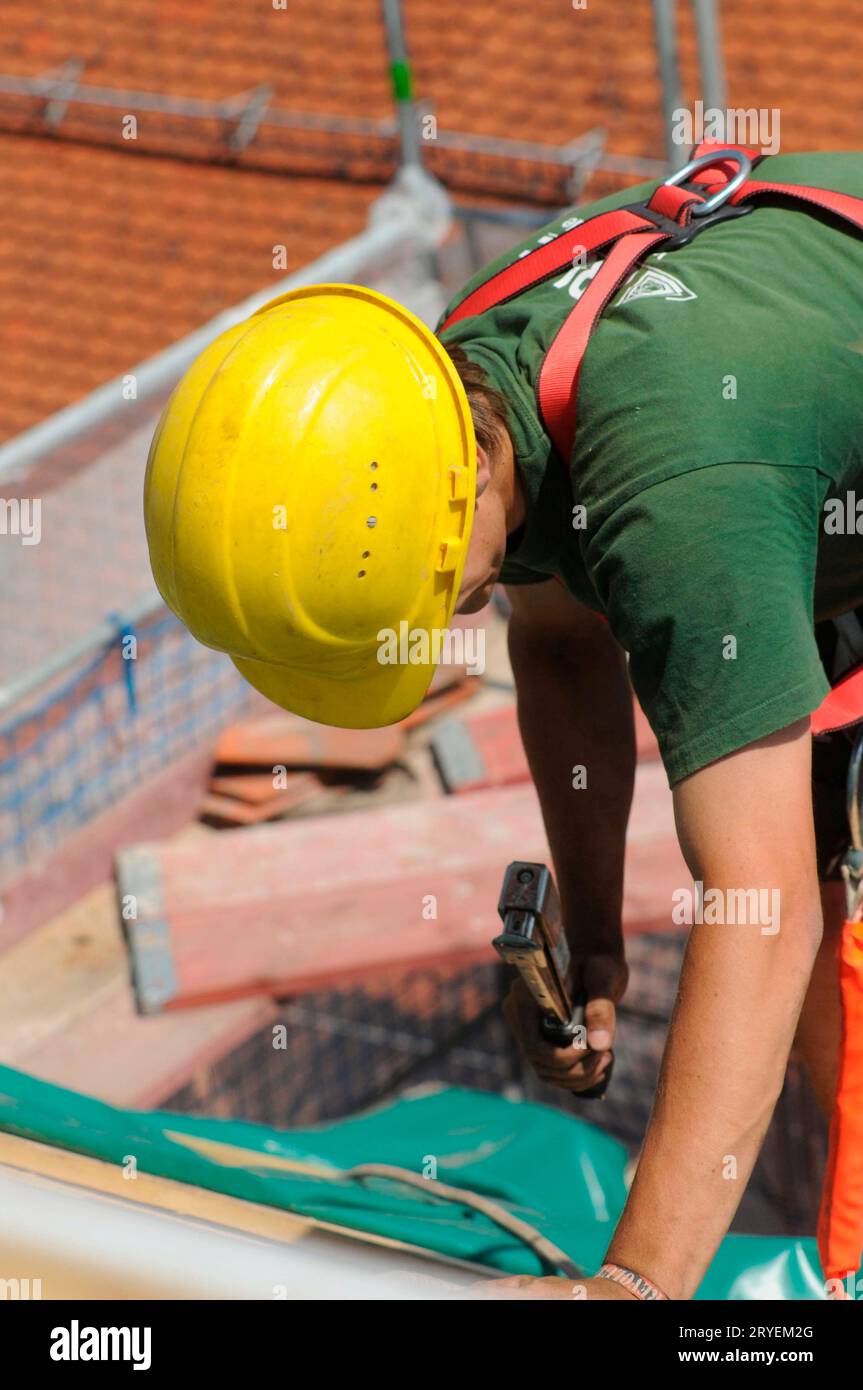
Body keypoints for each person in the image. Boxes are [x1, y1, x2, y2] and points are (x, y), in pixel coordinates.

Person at [145, 146, 863, 1300]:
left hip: (751, 448)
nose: (465, 612)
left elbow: (759, 909)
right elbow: (559, 636)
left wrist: (631, 1285)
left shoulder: (675, 483)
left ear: (460, 483)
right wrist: (595, 943)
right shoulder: (443, 395)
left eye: (449, 594)